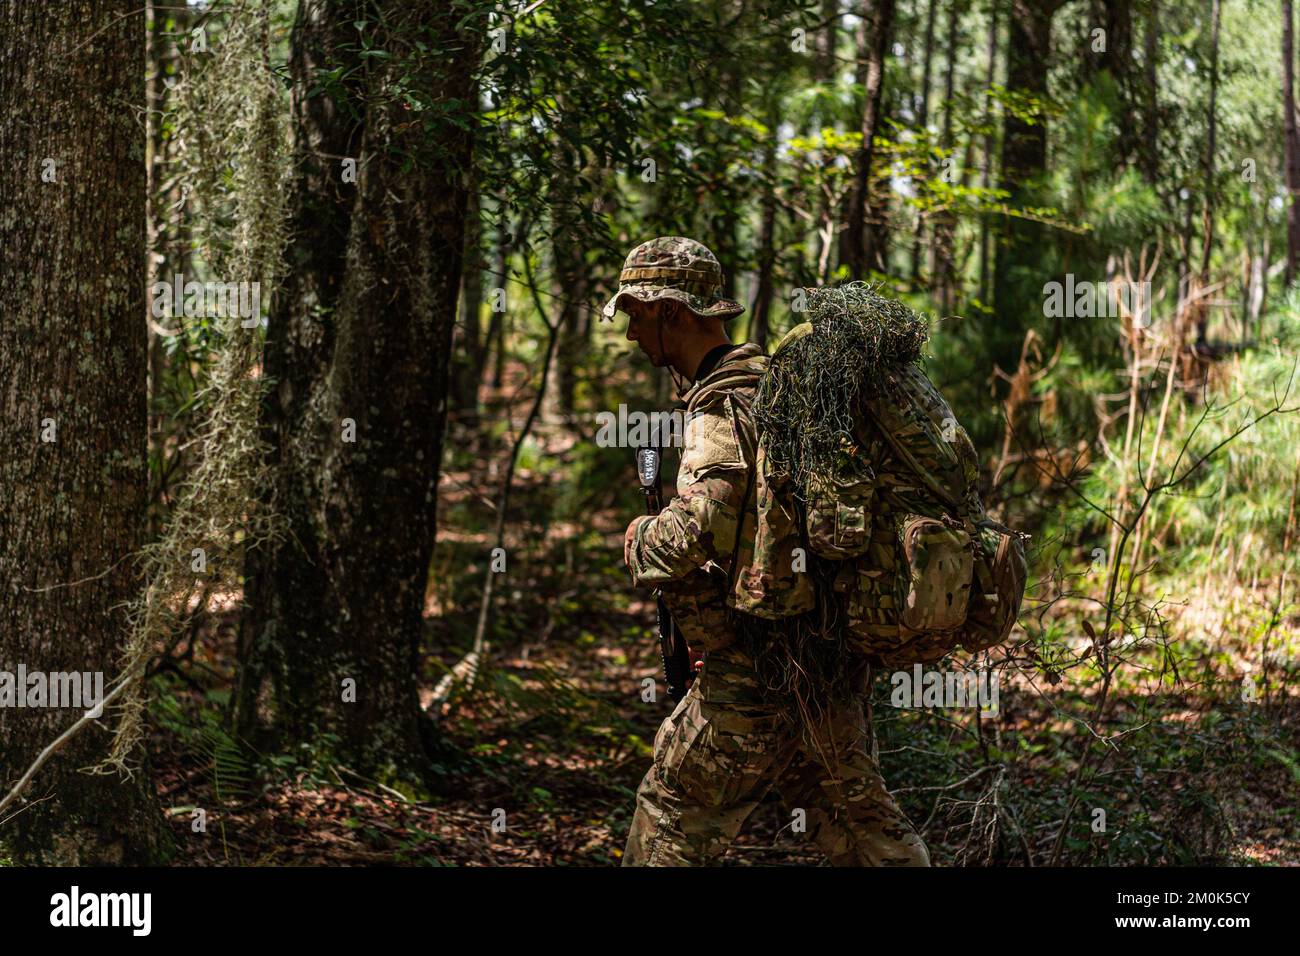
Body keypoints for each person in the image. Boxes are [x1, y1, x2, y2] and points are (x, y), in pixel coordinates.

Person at [605, 236, 930, 867]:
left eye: (637, 314)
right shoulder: (779, 390)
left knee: (670, 815)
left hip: (754, 669)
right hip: (825, 658)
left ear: (673, 311)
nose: (630, 334)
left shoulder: (721, 407)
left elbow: (701, 525)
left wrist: (638, 541)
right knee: (861, 826)